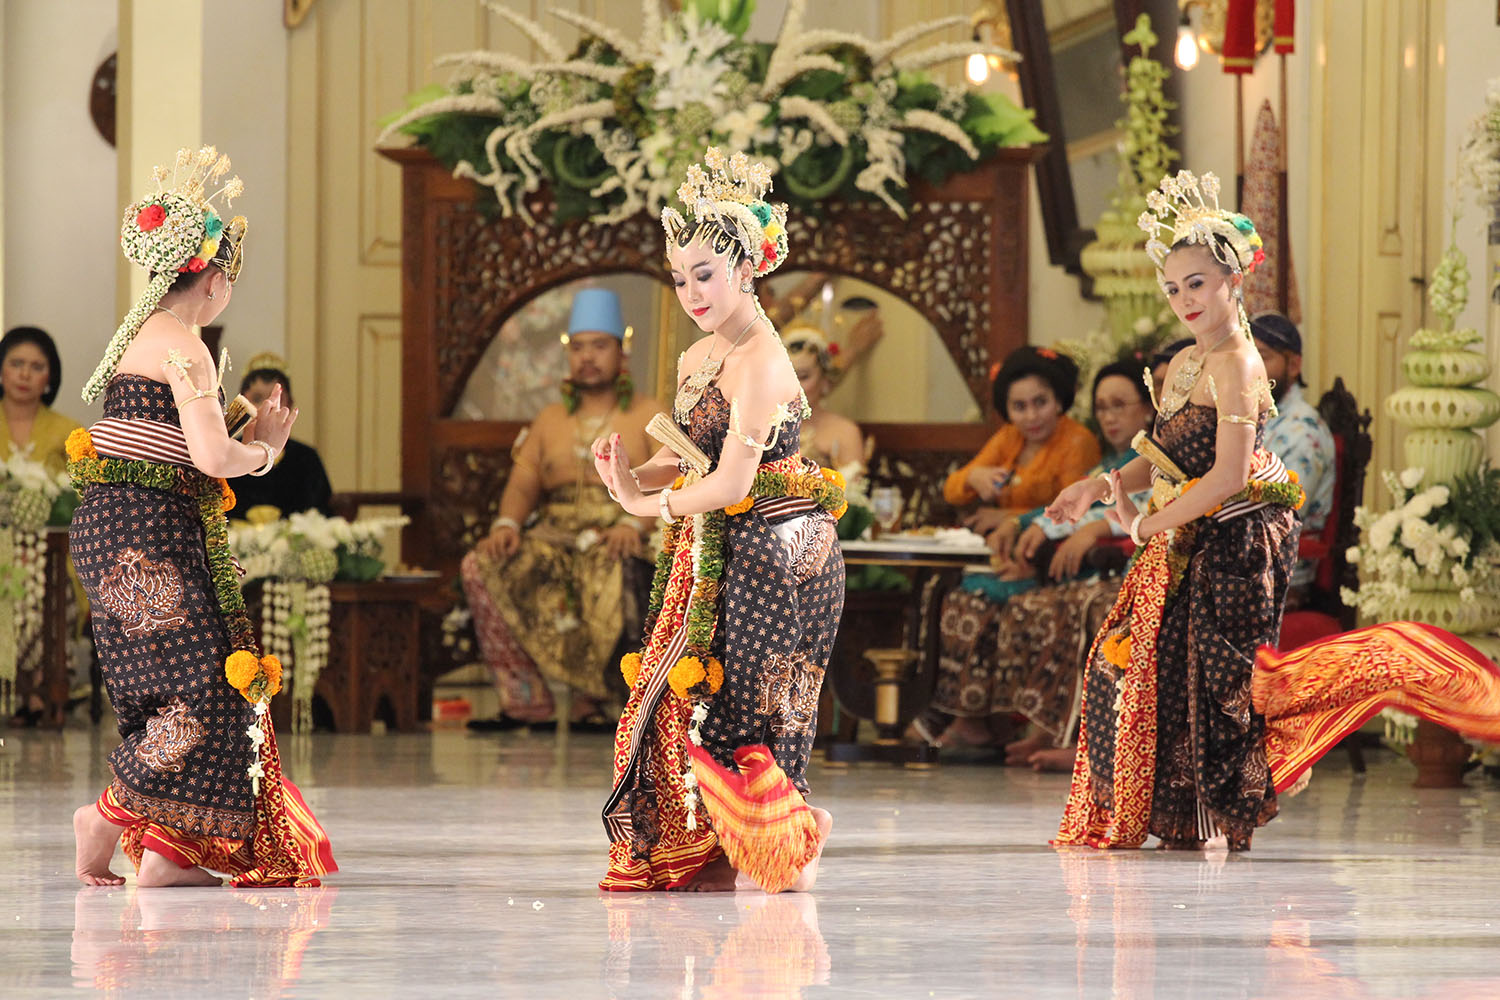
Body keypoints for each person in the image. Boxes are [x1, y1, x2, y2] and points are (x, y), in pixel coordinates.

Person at [1046, 169, 1500, 852]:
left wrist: (1146, 525)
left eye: (1196, 283)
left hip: (1237, 542)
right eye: (1173, 289)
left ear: (1233, 280)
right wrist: (1103, 488)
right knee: (1132, 667)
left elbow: (1228, 474)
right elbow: (1166, 459)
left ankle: (1212, 817)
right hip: (1186, 531)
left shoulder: (1240, 366)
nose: (1184, 300)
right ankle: (1171, 815)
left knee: (1219, 686)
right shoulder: (1183, 366)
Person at [68, 146, 334, 887]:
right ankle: (107, 818)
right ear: (212, 280)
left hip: (113, 529)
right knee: (203, 693)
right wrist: (268, 452)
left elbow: (171, 444)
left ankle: (167, 853)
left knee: (167, 690)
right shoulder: (186, 345)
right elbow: (214, 457)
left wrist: (236, 444)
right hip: (148, 536)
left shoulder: (136, 339)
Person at [595, 149, 845, 893]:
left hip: (780, 551)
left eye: (704, 273)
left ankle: (786, 835)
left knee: (749, 707)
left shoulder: (764, 360)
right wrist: (628, 478)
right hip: (714, 549)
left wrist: (648, 507)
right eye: (679, 277)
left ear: (747, 268)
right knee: (683, 699)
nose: (691, 291)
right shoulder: (700, 355)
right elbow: (686, 457)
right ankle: (754, 838)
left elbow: (735, 480)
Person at [911, 360, 1153, 753]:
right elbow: (957, 488)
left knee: (1024, 603)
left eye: (1119, 405)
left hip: (1086, 563)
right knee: (954, 594)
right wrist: (1000, 503)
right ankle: (971, 719)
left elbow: (1094, 506)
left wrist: (1041, 526)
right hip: (1038, 554)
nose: (1109, 417)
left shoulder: (1084, 445)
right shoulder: (1096, 461)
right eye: (1103, 408)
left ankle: (1056, 735)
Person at [460, 288, 660, 730]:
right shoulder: (549, 419)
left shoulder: (649, 413)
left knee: (613, 569)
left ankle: (601, 700)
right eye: (579, 347)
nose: (588, 357)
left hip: (620, 534)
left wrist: (634, 523)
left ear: (621, 352)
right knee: (480, 565)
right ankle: (525, 699)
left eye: (600, 346)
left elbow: (672, 479)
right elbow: (523, 484)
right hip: (554, 535)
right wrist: (507, 524)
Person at [944, 346, 1101, 547]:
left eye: (1040, 402)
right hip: (1004, 543)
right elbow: (950, 490)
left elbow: (1074, 510)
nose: (1031, 416)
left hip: (1052, 548)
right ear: (1007, 411)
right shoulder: (1009, 436)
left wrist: (1008, 517)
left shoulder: (1078, 441)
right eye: (1019, 407)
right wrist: (972, 477)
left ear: (1058, 401)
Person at [1249, 312, 1335, 594]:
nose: (1252, 368)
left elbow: (1280, 519)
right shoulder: (1253, 420)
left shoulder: (1303, 431)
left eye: (1263, 356)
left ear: (1294, 364)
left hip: (1280, 577)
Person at [224, 353, 332, 520]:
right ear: (242, 402)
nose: (266, 408)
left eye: (275, 401)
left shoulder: (306, 459)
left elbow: (319, 514)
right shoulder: (228, 454)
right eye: (257, 399)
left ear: (289, 404)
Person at [782, 323, 866, 480]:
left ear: (825, 380)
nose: (793, 385)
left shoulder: (844, 431)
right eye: (786, 375)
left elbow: (852, 497)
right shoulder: (762, 429)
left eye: (803, 376)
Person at [0, 326, 80, 473]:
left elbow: (84, 491)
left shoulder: (70, 432)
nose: (25, 375)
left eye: (37, 367)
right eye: (16, 364)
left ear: (50, 377)